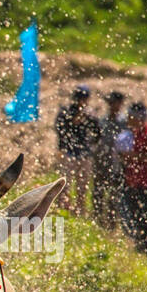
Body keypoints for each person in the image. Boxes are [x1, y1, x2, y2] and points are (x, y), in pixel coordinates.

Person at [117, 101, 147, 255]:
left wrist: (132, 156)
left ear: (139, 118)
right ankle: (139, 241)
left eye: (131, 117)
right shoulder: (129, 134)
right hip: (130, 178)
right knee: (132, 211)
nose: (128, 120)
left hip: (145, 180)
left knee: (144, 212)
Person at [54, 85, 99, 217]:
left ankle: (80, 212)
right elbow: (60, 130)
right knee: (64, 185)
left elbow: (97, 133)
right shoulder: (65, 112)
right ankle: (63, 210)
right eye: (80, 98)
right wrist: (74, 120)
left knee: (82, 186)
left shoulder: (90, 114)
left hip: (84, 153)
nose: (82, 102)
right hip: (67, 152)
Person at [92, 90, 126, 230]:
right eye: (111, 103)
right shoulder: (102, 121)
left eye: (115, 103)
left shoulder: (124, 122)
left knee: (114, 195)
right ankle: (98, 221)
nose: (112, 106)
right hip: (101, 160)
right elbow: (95, 139)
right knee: (98, 193)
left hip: (117, 163)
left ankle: (112, 224)